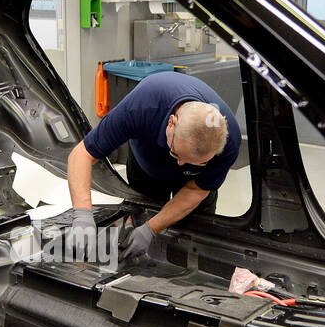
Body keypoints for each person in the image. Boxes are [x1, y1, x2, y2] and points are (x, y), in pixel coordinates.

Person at [66, 71, 241, 261]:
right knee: (138, 221)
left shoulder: (228, 140)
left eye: (196, 161)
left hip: (195, 182)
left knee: (192, 242)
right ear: (171, 123)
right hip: (146, 169)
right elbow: (82, 154)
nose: (180, 164)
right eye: (176, 152)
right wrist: (82, 214)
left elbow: (197, 190)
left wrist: (151, 229)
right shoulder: (142, 105)